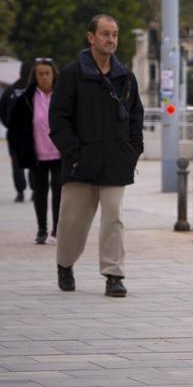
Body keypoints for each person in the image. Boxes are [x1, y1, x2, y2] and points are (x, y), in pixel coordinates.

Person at [51, 15, 144, 298]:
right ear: (90, 37)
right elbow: (58, 118)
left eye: (115, 34)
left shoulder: (125, 77)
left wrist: (132, 151)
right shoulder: (71, 75)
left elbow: (135, 117)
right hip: (80, 163)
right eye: (105, 34)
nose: (111, 40)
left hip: (116, 161)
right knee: (72, 222)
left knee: (114, 218)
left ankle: (113, 274)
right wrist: (74, 152)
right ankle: (65, 264)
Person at [8, 58, 64, 244]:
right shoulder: (26, 98)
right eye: (40, 74)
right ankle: (42, 229)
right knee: (40, 192)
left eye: (47, 73)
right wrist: (18, 148)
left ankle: (57, 229)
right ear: (35, 76)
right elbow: (14, 126)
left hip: (60, 155)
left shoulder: (64, 95)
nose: (44, 77)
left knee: (58, 190)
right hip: (37, 155)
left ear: (53, 74)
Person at [0, 62, 32, 202]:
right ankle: (35, 191)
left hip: (15, 133)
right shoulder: (36, 89)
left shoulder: (10, 90)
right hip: (32, 133)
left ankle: (20, 192)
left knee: (17, 164)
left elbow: (2, 111)